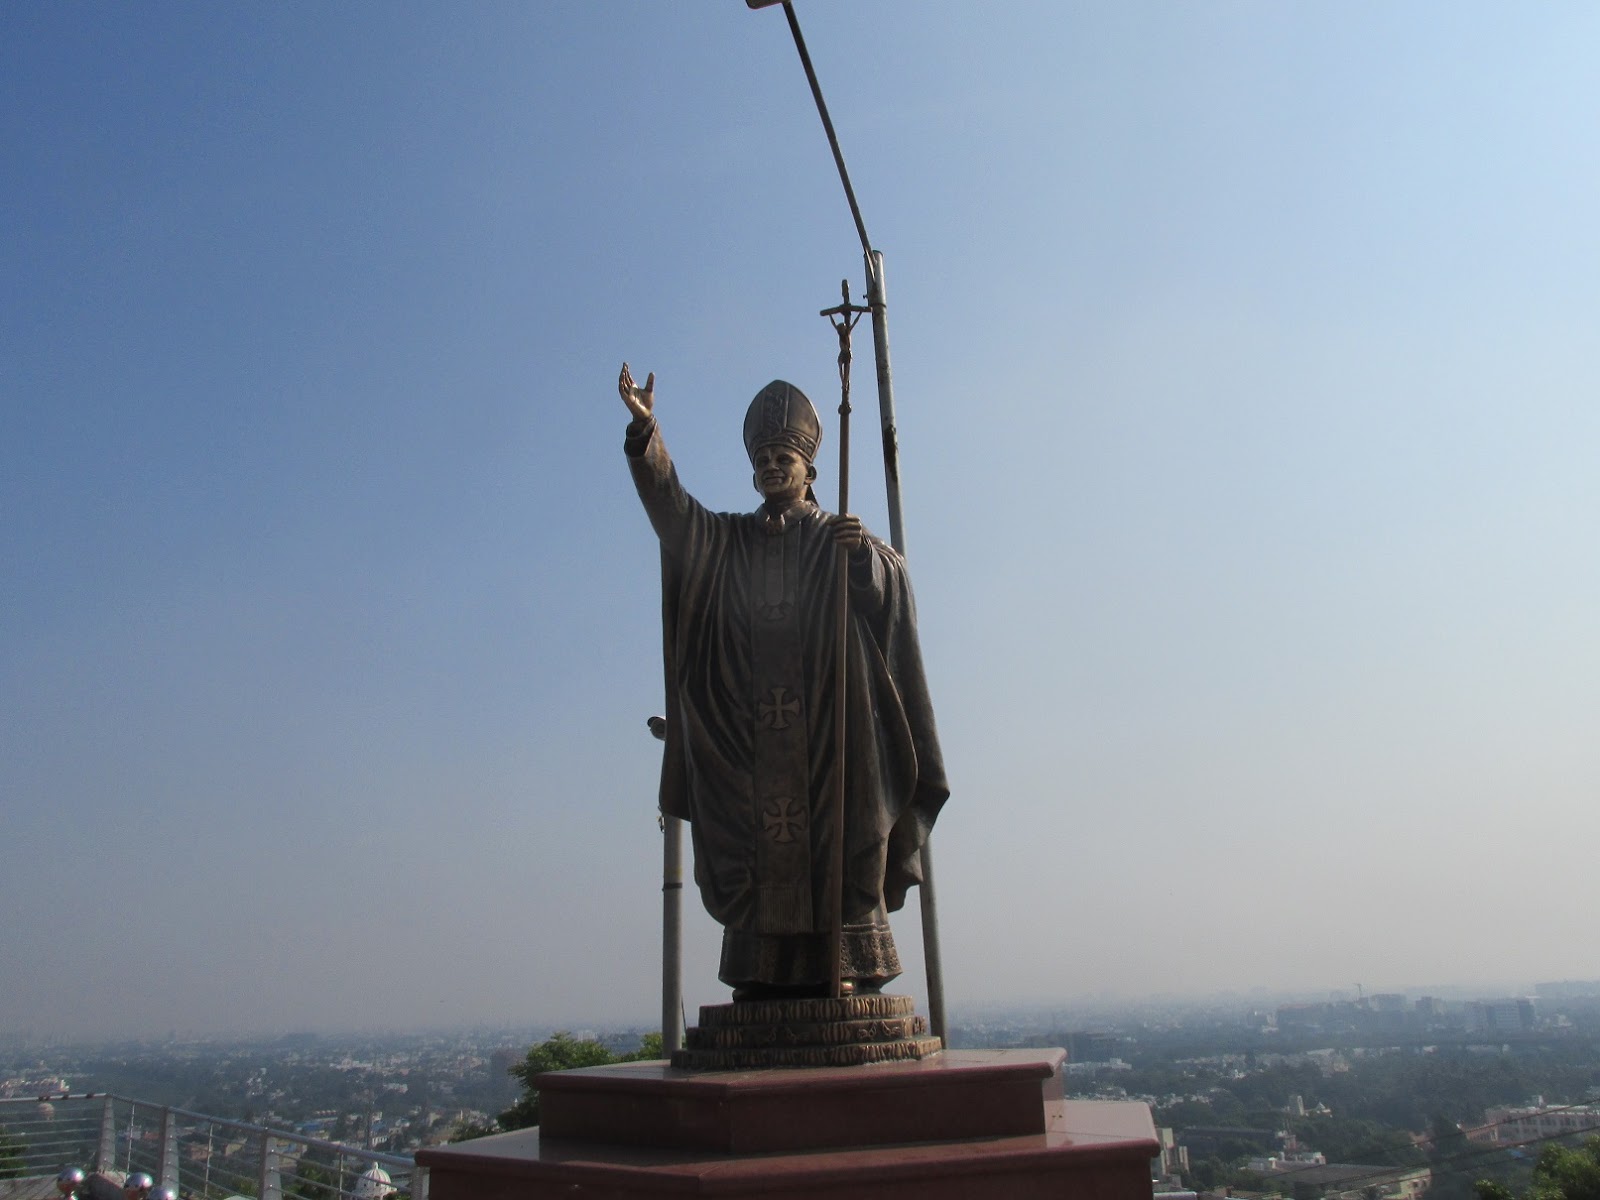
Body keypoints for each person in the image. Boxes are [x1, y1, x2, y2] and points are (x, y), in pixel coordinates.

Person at [619, 363, 947, 1000]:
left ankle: (847, 962)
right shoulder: (729, 539)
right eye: (763, 459)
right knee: (754, 840)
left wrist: (863, 559)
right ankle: (761, 970)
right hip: (753, 734)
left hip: (832, 724)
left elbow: (890, 596)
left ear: (809, 470)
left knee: (843, 836)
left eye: (784, 458)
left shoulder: (839, 536)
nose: (772, 467)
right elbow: (674, 515)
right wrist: (646, 433)